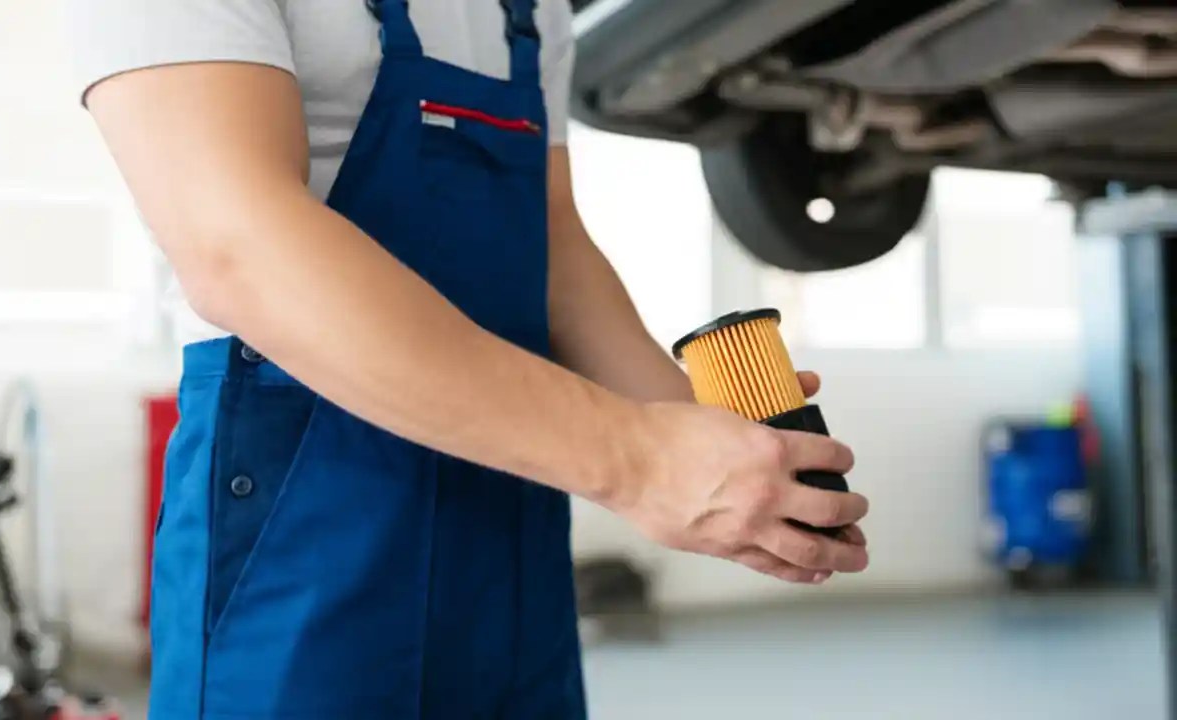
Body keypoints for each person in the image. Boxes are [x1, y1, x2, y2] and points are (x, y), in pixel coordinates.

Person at [70, 1, 870, 717]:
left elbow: (554, 249)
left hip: (508, 534)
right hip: (304, 529)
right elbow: (235, 246)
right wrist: (638, 460)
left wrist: (706, 437)